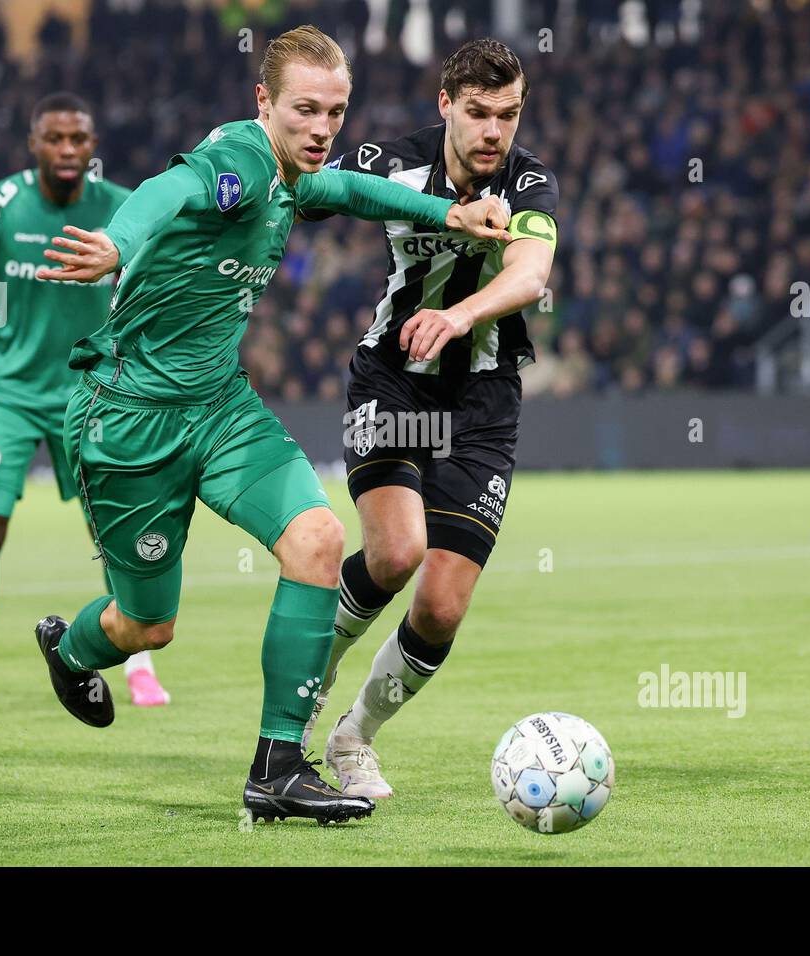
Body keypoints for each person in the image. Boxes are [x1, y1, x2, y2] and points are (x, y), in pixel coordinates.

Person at [33, 26, 511, 824]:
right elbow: (169, 190)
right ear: (264, 102)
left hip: (220, 410)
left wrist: (449, 213)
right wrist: (118, 242)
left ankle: (278, 765)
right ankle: (73, 648)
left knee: (320, 540)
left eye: (335, 110)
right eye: (305, 111)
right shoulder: (241, 161)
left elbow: (355, 193)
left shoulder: (297, 175)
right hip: (127, 423)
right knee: (147, 627)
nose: (323, 128)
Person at [297, 39, 559, 799]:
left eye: (507, 115)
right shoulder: (393, 161)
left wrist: (459, 314)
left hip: (484, 402)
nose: (493, 132)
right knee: (396, 553)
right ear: (446, 105)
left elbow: (531, 270)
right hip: (393, 385)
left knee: (442, 604)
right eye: (477, 113)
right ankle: (309, 682)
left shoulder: (531, 180)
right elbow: (313, 193)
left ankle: (354, 739)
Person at [0, 93, 172, 715]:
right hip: (9, 391)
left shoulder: (120, 205)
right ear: (33, 143)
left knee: (109, 527)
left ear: (93, 146)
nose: (67, 150)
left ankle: (138, 660)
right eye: (55, 139)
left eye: (79, 139)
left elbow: (163, 286)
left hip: (93, 392)